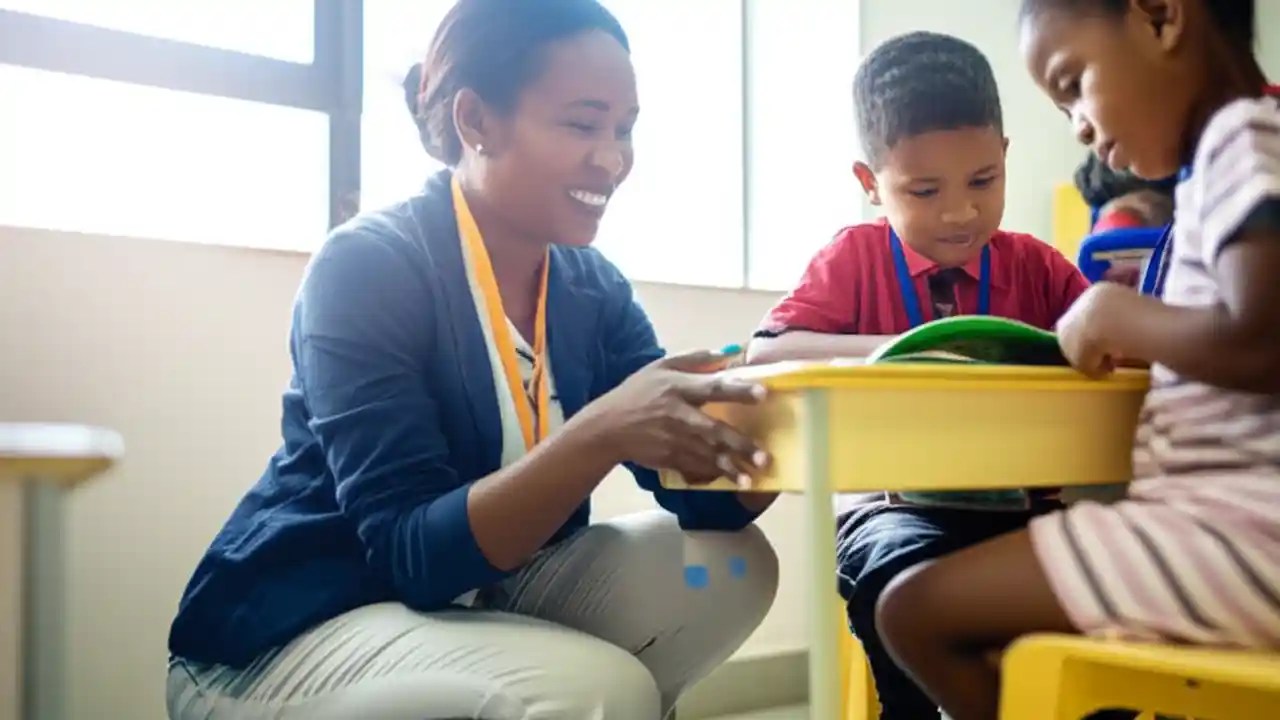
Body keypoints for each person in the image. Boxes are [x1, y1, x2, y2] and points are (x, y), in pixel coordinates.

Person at [164, 1, 781, 718]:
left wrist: (783, 428)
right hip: (290, 639)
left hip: (472, 608)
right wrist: (602, 431)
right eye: (582, 124)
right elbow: (412, 555)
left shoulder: (590, 287)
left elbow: (696, 499)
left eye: (624, 128)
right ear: (476, 121)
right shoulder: (367, 265)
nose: (613, 158)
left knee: (732, 568)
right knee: (592, 688)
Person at [874, 1, 1280, 719]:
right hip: (1219, 527)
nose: (1080, 129)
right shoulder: (1237, 155)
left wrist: (1117, 314)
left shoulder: (1241, 140)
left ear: (1159, 17)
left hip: (1240, 534)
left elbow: (1263, 339)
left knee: (915, 612)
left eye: (1073, 83)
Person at [746, 31, 1090, 720]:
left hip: (1023, 511)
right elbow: (766, 354)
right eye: (925, 190)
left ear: (1004, 160)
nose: (960, 212)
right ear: (871, 185)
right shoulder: (853, 259)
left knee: (1100, 583)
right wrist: (906, 349)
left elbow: (1102, 351)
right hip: (893, 510)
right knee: (896, 574)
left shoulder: (1036, 267)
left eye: (983, 182)